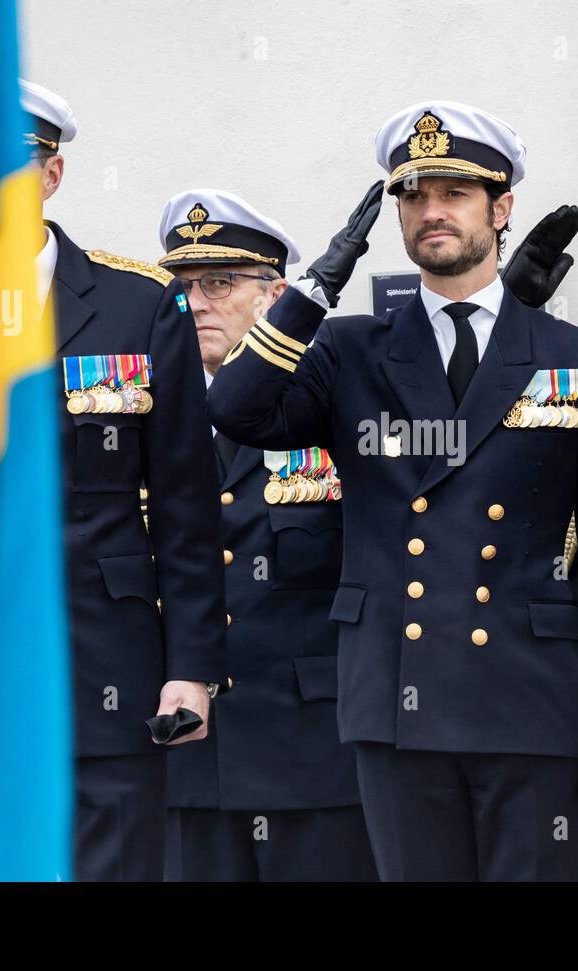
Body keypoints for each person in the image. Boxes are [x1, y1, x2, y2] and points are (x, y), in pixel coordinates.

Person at [206, 101, 578, 882]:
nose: (431, 211)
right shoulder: (352, 349)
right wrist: (315, 287)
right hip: (395, 705)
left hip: (528, 702)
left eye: (455, 193)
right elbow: (237, 408)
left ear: (501, 207)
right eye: (413, 195)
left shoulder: (575, 359)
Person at [21, 80, 228, 881]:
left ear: (53, 174)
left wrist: (192, 667)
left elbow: (185, 503)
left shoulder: (137, 306)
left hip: (108, 660)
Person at [155, 188, 377, 881]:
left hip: (314, 761)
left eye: (218, 283)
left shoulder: (336, 402)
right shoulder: (142, 417)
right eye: (182, 286)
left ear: (275, 293)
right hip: (188, 761)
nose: (195, 301)